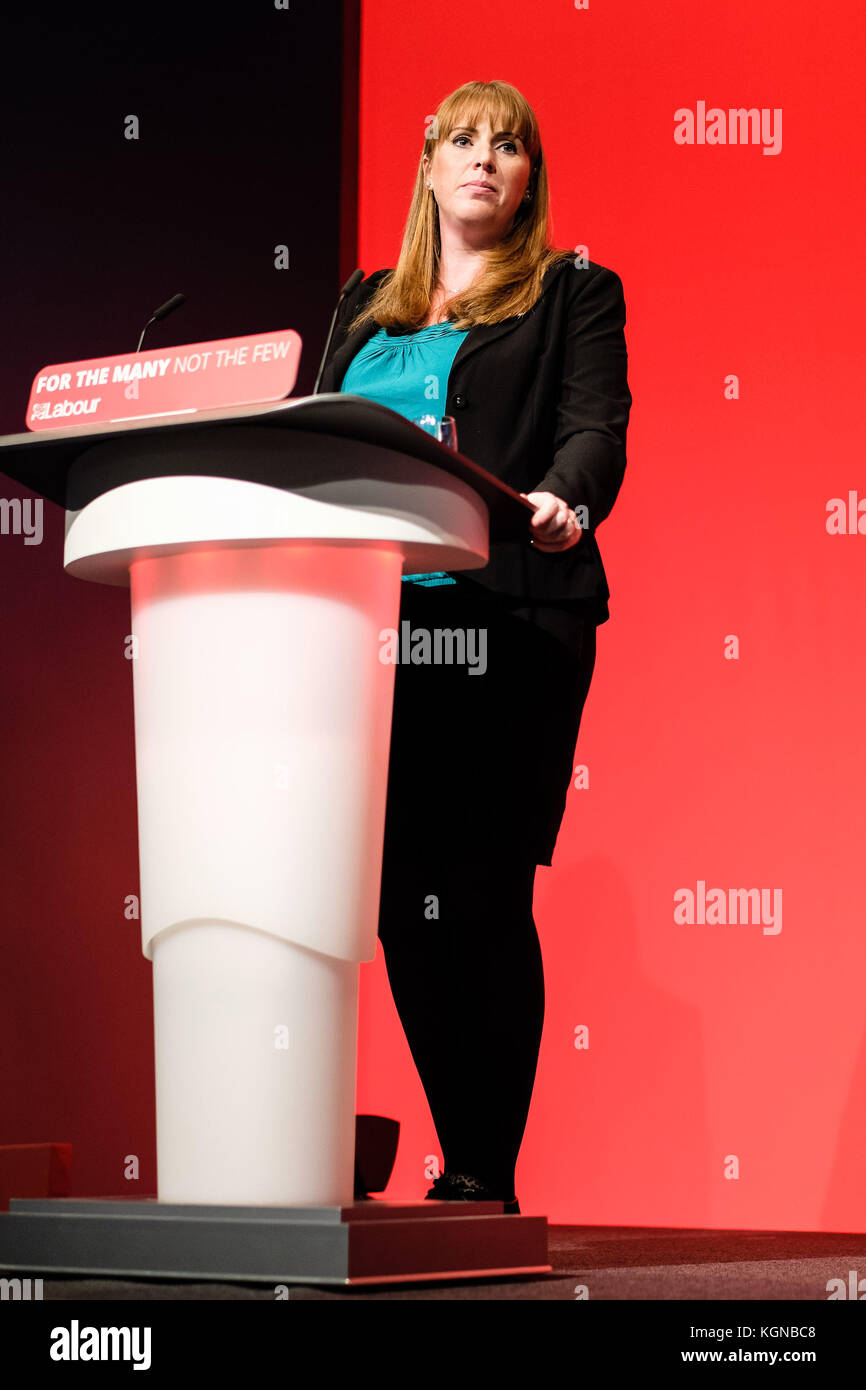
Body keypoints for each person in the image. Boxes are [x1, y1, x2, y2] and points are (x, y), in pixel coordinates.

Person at [317, 79, 632, 1214]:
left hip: (505, 615)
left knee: (481, 888)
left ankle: (483, 1174)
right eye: (464, 140)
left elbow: (594, 425)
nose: (485, 160)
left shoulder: (568, 291)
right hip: (372, 633)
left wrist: (565, 496)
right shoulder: (362, 305)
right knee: (403, 899)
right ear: (428, 162)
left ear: (528, 177)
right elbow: (306, 447)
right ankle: (465, 1162)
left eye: (509, 146)